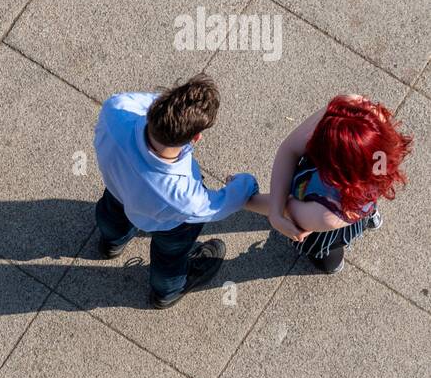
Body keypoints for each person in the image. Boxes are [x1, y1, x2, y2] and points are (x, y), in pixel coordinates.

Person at [93, 74, 263, 309]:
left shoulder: (116, 109)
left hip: (116, 187)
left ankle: (111, 243)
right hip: (167, 225)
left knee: (112, 214)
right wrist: (246, 183)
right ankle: (166, 292)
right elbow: (218, 205)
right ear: (196, 137)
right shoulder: (185, 196)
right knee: (170, 255)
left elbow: (144, 103)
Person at [266, 95, 413, 273]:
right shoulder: (367, 121)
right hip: (358, 199)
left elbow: (287, 205)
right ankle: (369, 216)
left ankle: (332, 263)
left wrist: (260, 207)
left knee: (327, 257)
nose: (312, 137)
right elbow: (290, 148)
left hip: (328, 222)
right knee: (365, 206)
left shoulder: (325, 213)